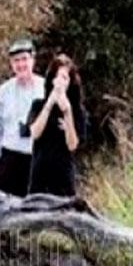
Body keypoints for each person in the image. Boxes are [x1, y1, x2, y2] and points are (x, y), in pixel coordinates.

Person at [0, 38, 45, 196]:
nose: (21, 65)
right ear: (11, 64)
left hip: (37, 160)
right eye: (16, 61)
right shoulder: (3, 91)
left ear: (32, 60)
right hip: (9, 159)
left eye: (24, 59)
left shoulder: (44, 88)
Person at [27, 54, 87, 197]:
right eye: (57, 77)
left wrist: (67, 113)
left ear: (70, 82)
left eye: (64, 78)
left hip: (63, 180)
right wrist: (49, 104)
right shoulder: (38, 105)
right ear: (52, 79)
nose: (60, 82)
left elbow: (72, 145)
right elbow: (34, 133)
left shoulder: (78, 111)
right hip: (39, 180)